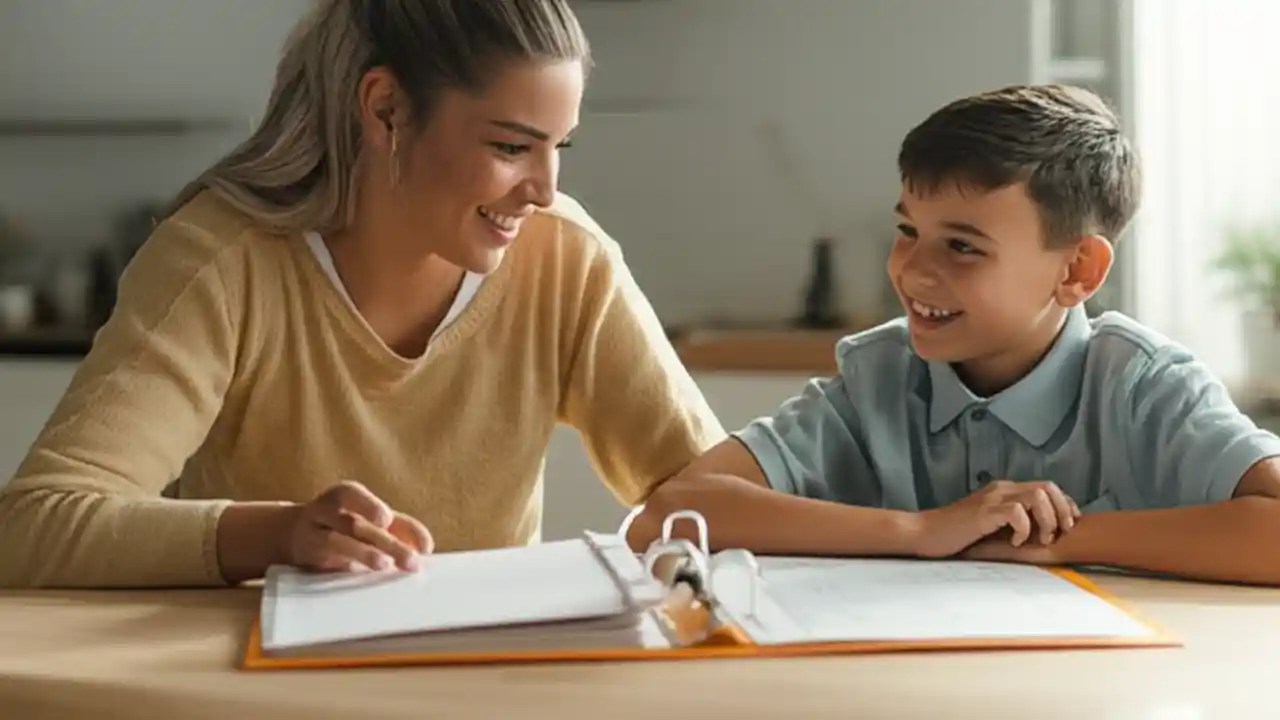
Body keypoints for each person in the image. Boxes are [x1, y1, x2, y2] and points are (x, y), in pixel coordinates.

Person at [0, 0, 724, 588]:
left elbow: (709, 496)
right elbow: (33, 525)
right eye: (510, 148)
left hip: (485, 688)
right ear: (385, 110)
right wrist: (278, 535)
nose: (543, 192)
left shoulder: (569, 262)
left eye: (556, 149)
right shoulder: (222, 263)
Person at [627, 85, 1280, 586]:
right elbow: (672, 513)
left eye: (963, 246)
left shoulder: (1145, 388)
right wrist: (922, 530)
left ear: (1077, 270)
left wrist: (1064, 539)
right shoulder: (877, 378)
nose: (911, 269)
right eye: (909, 230)